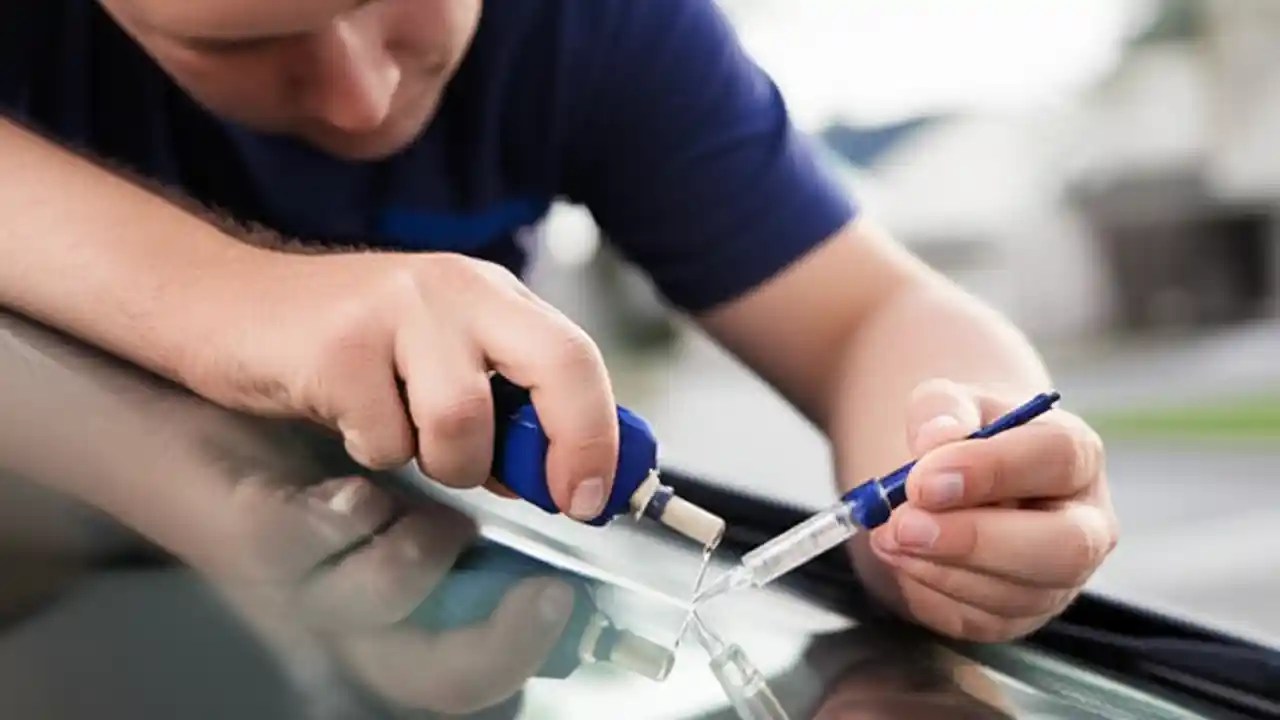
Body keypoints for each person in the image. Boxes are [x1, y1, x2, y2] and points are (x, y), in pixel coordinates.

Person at [0, 0, 1117, 645]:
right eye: (235, 45)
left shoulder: (597, 29)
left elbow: (869, 314)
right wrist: (225, 306)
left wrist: (955, 500)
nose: (360, 94)